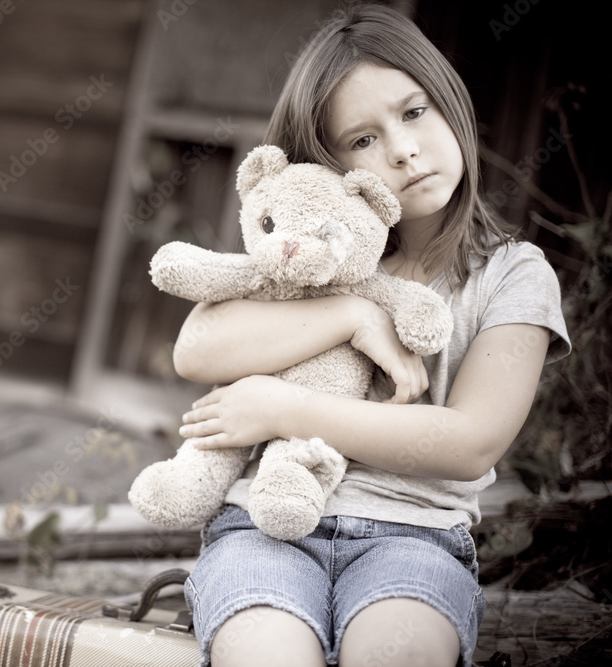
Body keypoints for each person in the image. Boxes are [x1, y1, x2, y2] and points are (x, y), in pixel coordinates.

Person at [173, 4, 571, 667]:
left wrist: (284, 409)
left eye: (414, 112)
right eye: (362, 140)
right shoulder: (315, 258)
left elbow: (470, 443)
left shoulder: (513, 274)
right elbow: (196, 348)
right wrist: (352, 316)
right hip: (265, 526)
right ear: (326, 165)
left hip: (415, 537)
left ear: (450, 102)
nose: (403, 149)